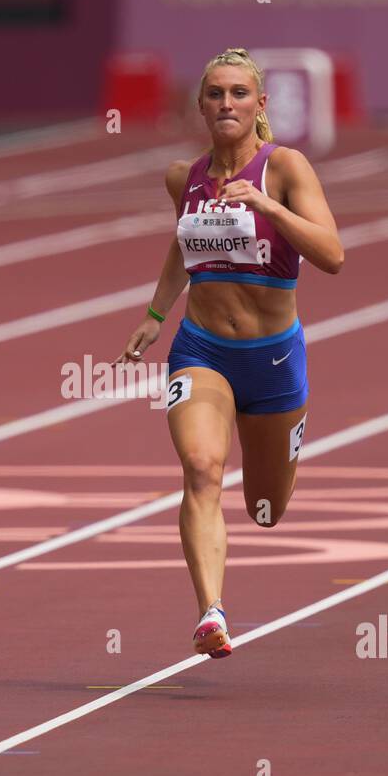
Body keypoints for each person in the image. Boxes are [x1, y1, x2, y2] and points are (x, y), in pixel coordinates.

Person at [119, 48, 344, 658]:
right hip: (201, 349)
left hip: (273, 359)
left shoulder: (286, 168)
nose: (227, 104)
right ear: (201, 105)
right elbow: (182, 244)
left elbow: (333, 255)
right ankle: (211, 612)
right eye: (215, 94)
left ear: (260, 105)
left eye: (239, 94)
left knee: (265, 509)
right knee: (200, 469)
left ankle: (289, 432)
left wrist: (268, 207)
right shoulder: (182, 177)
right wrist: (157, 314)